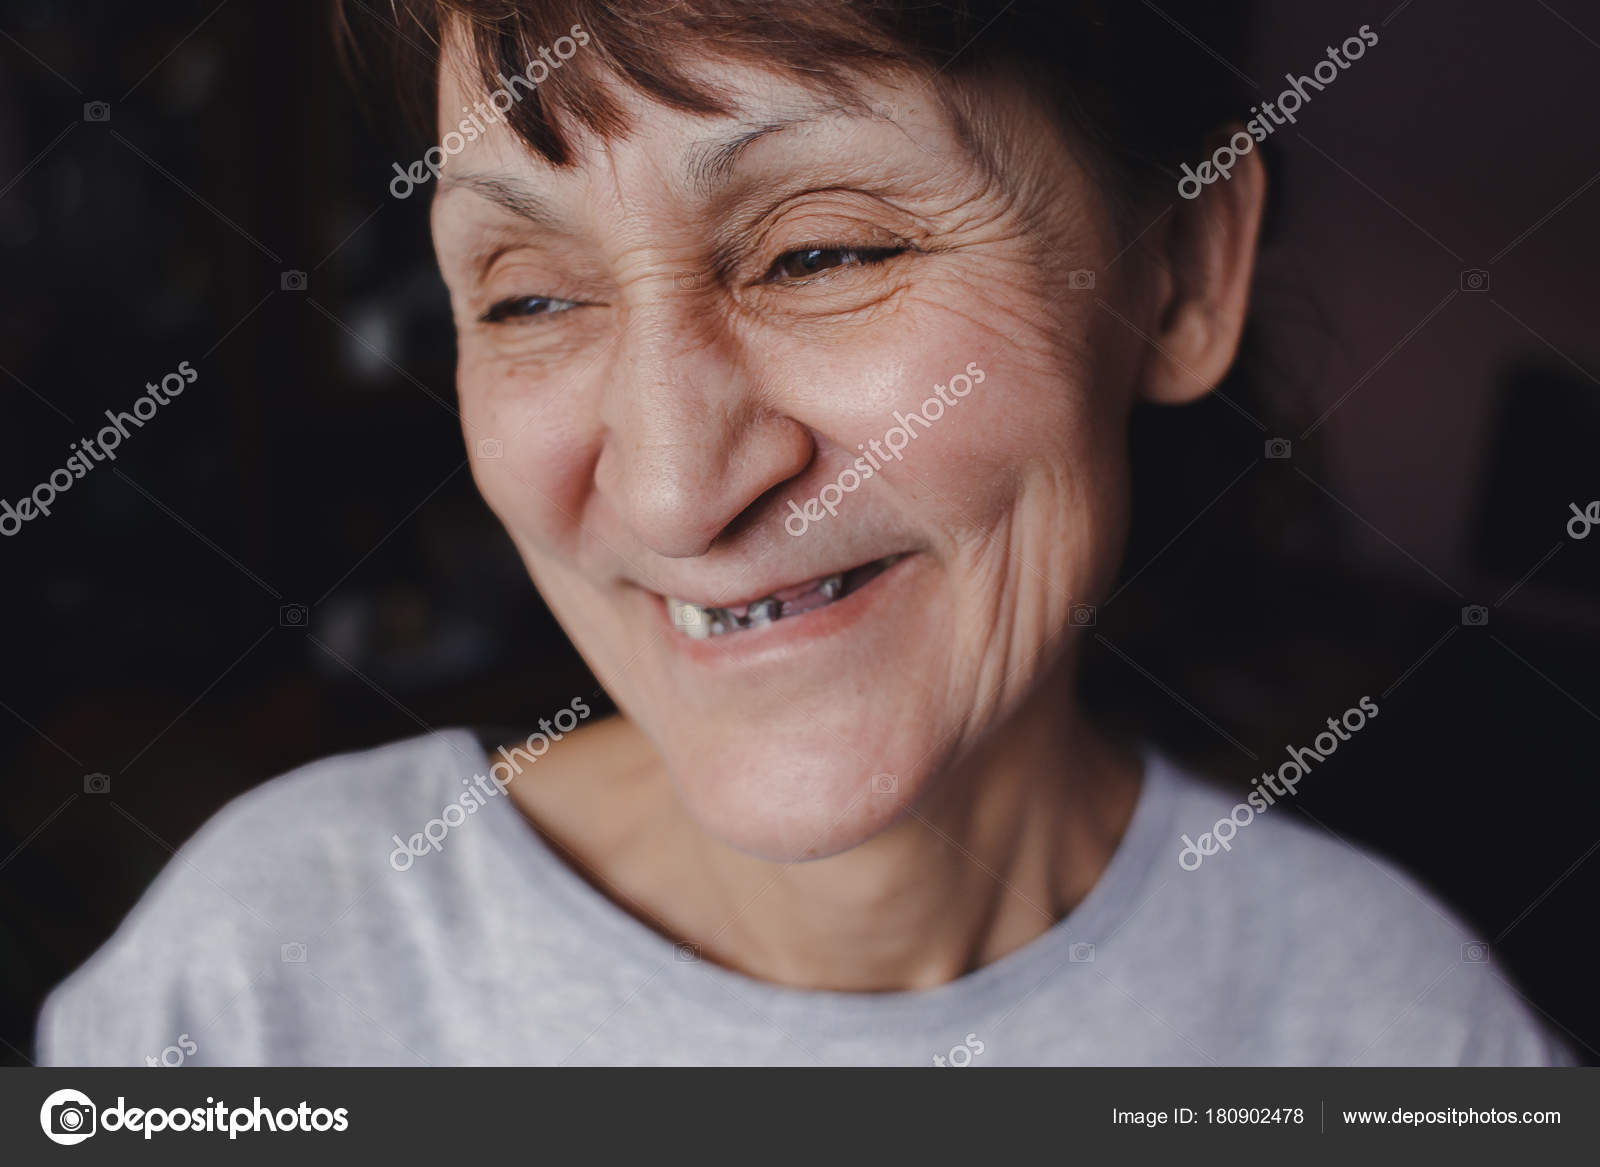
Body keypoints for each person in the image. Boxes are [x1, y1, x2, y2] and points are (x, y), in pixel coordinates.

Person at [37, 0, 1573, 1066]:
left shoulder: (1394, 1032)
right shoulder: (262, 978)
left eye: (820, 250)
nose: (668, 491)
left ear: (1178, 274)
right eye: (532, 297)